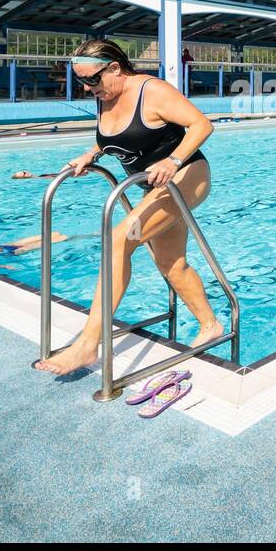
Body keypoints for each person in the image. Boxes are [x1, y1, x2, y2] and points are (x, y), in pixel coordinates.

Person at [33, 38, 220, 375]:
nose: (89, 88)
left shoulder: (153, 91)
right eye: (82, 82)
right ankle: (211, 325)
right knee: (171, 262)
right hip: (152, 187)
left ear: (115, 68)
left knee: (119, 239)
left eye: (93, 79)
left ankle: (88, 345)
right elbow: (118, 136)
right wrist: (91, 154)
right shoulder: (107, 95)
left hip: (187, 175)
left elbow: (202, 124)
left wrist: (174, 160)